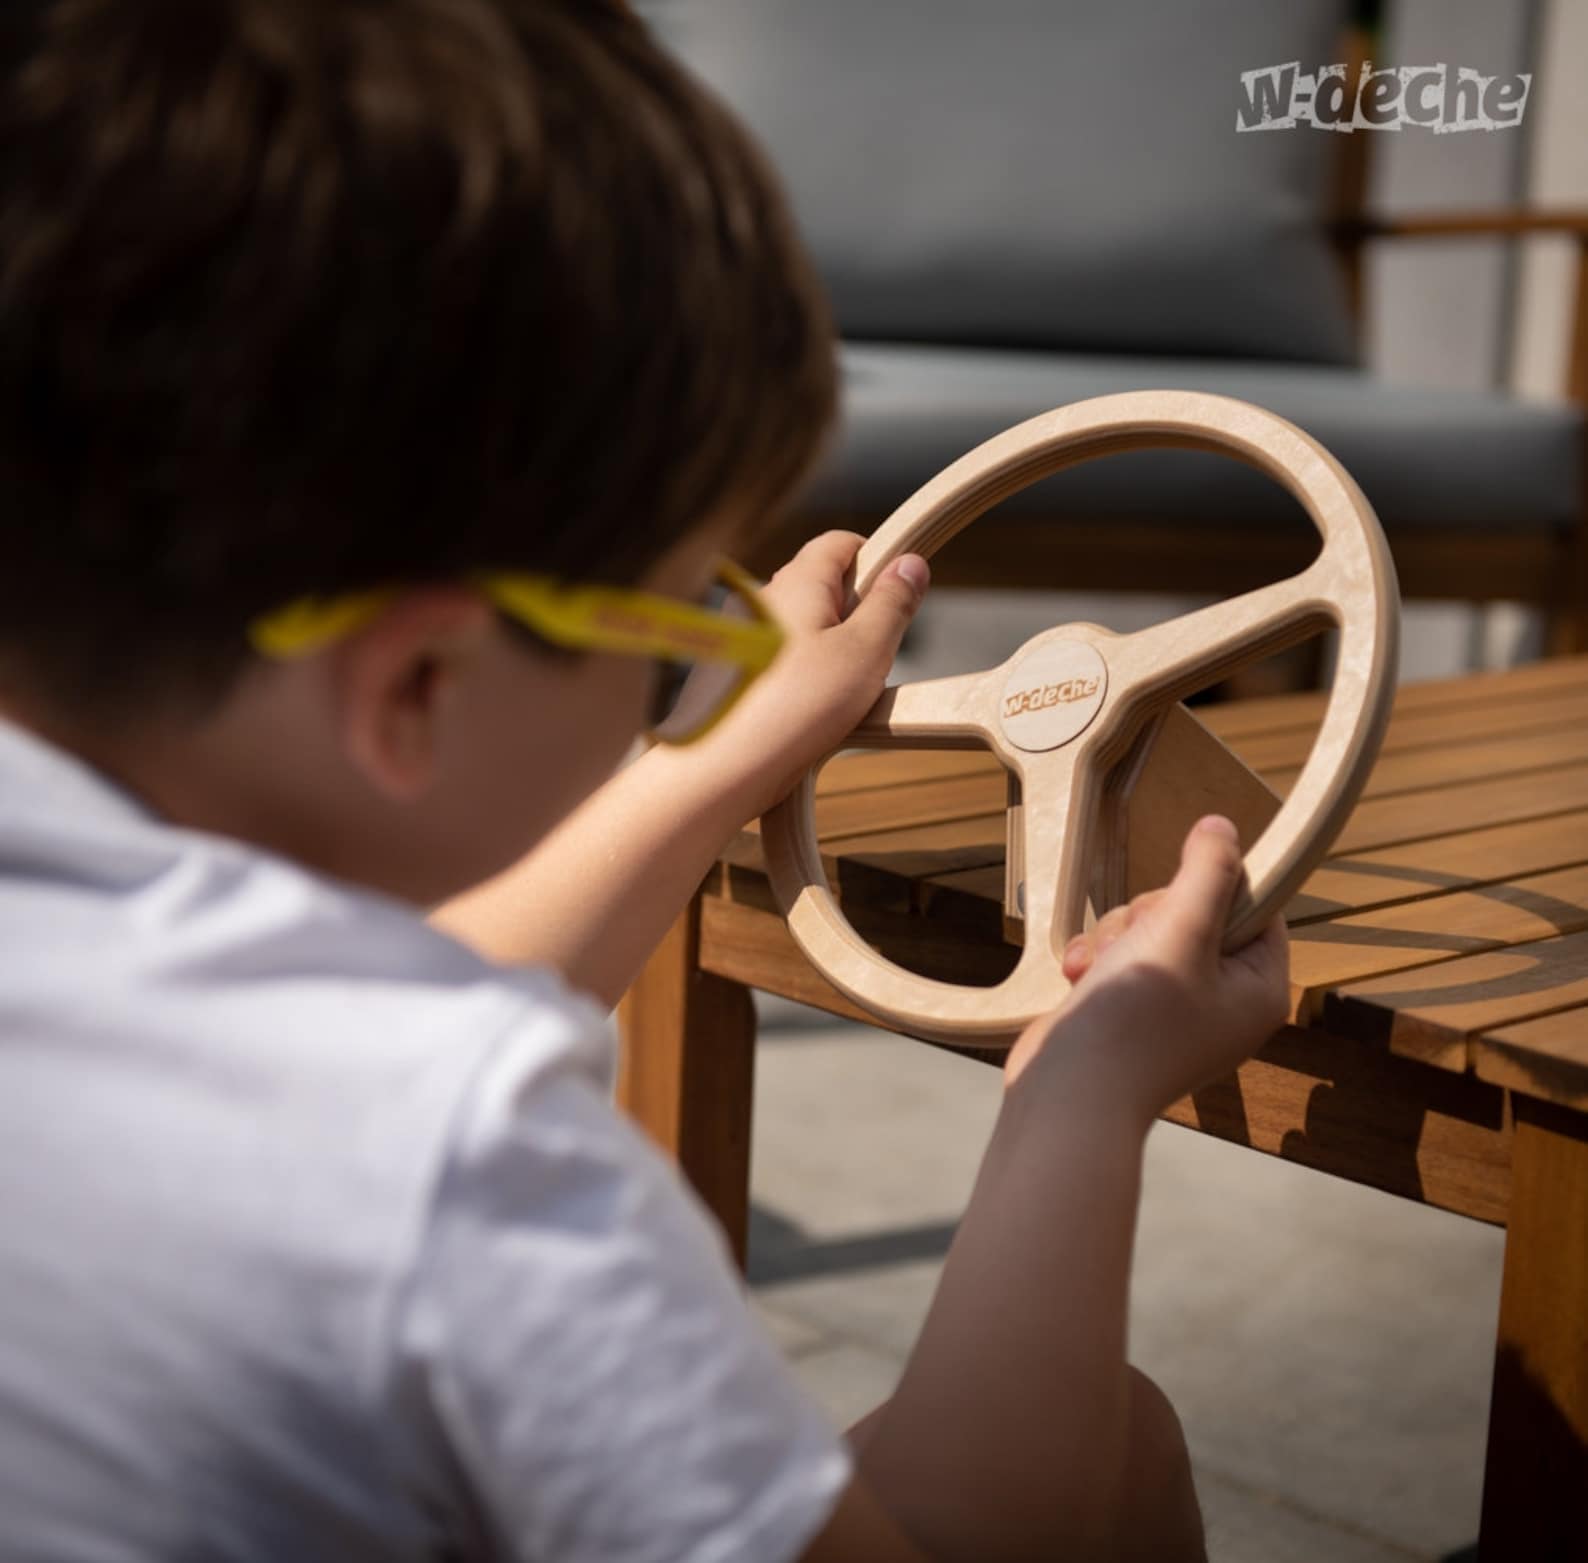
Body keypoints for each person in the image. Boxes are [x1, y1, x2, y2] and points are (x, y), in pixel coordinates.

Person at [0, 1, 1289, 1558]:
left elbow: (326, 1033)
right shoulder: (460, 1173)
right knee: (1117, 1437)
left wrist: (723, 749)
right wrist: (1081, 1093)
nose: (689, 670)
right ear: (416, 685)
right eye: (683, 616)